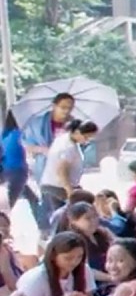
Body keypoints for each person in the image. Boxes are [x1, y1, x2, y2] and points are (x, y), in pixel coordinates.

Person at [20, 92, 75, 231]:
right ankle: (47, 231)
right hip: (45, 168)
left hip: (67, 169)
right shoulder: (37, 124)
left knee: (67, 203)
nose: (66, 111)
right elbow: (25, 143)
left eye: (70, 108)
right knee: (48, 202)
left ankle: (63, 230)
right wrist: (43, 149)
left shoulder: (73, 124)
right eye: (63, 107)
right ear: (54, 106)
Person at [37, 119, 98, 227]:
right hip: (58, 188)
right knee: (63, 219)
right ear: (77, 132)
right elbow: (62, 171)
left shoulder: (65, 140)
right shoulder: (67, 147)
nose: (87, 140)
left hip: (56, 186)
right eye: (86, 137)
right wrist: (70, 191)